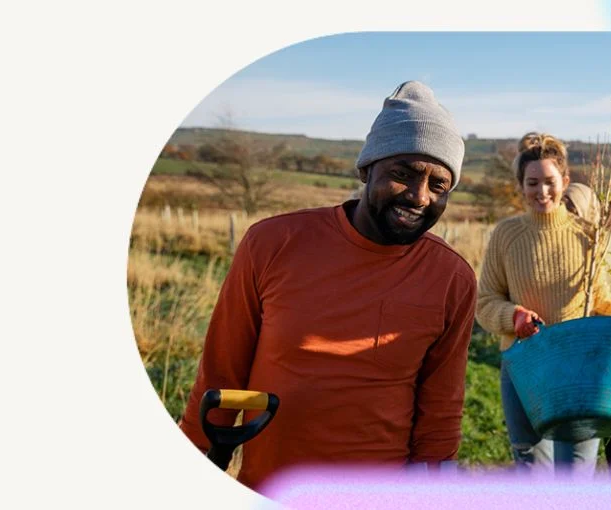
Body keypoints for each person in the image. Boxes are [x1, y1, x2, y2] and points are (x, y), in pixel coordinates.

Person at [177, 81, 478, 488]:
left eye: (438, 185)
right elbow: (220, 370)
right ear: (367, 169)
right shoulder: (273, 243)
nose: (419, 196)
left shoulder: (451, 277)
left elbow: (442, 402)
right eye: (402, 174)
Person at [476, 133, 611, 477]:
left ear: (564, 181)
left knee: (575, 476)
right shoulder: (506, 236)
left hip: (580, 370)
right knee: (533, 472)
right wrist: (513, 316)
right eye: (532, 183)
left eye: (549, 182)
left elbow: (601, 299)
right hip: (525, 368)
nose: (542, 191)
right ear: (521, 185)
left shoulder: (590, 236)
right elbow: (486, 302)